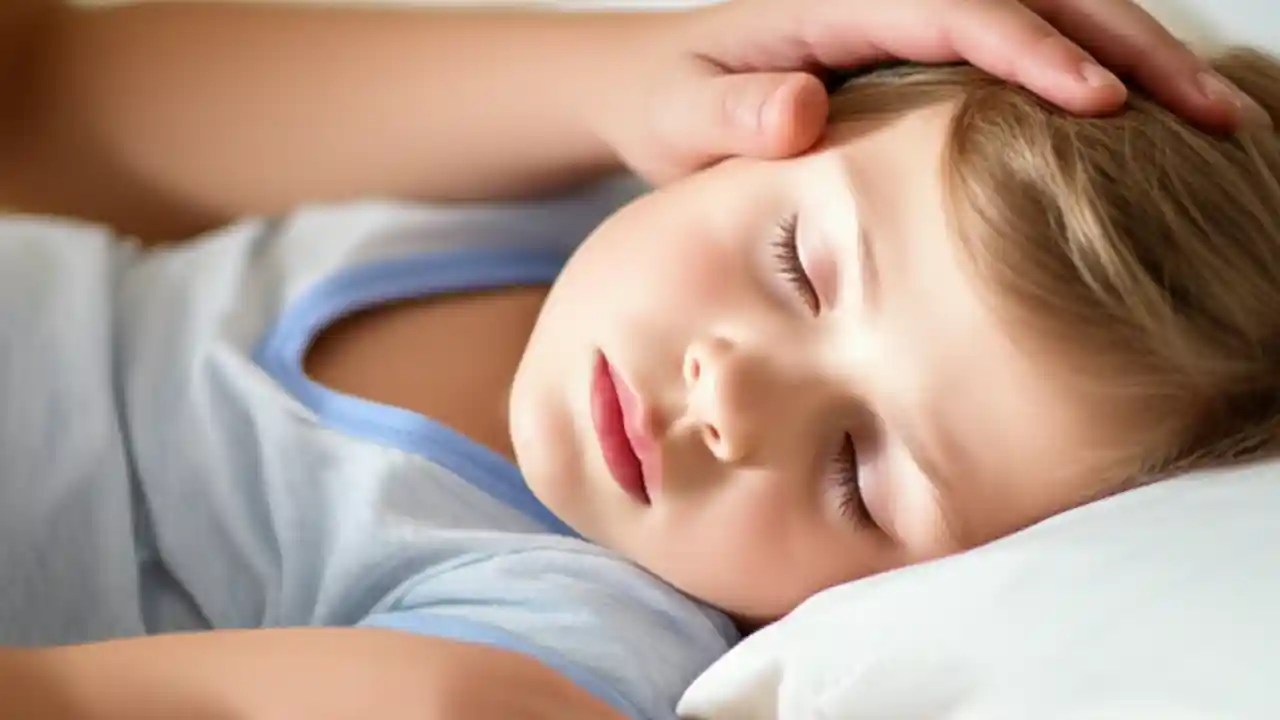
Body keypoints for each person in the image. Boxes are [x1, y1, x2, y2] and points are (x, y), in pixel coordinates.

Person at [0, 1, 1269, 719]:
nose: (730, 402)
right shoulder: (560, 198)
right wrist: (618, 73)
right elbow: (49, 95)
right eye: (798, 265)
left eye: (858, 476)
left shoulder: (579, 629)